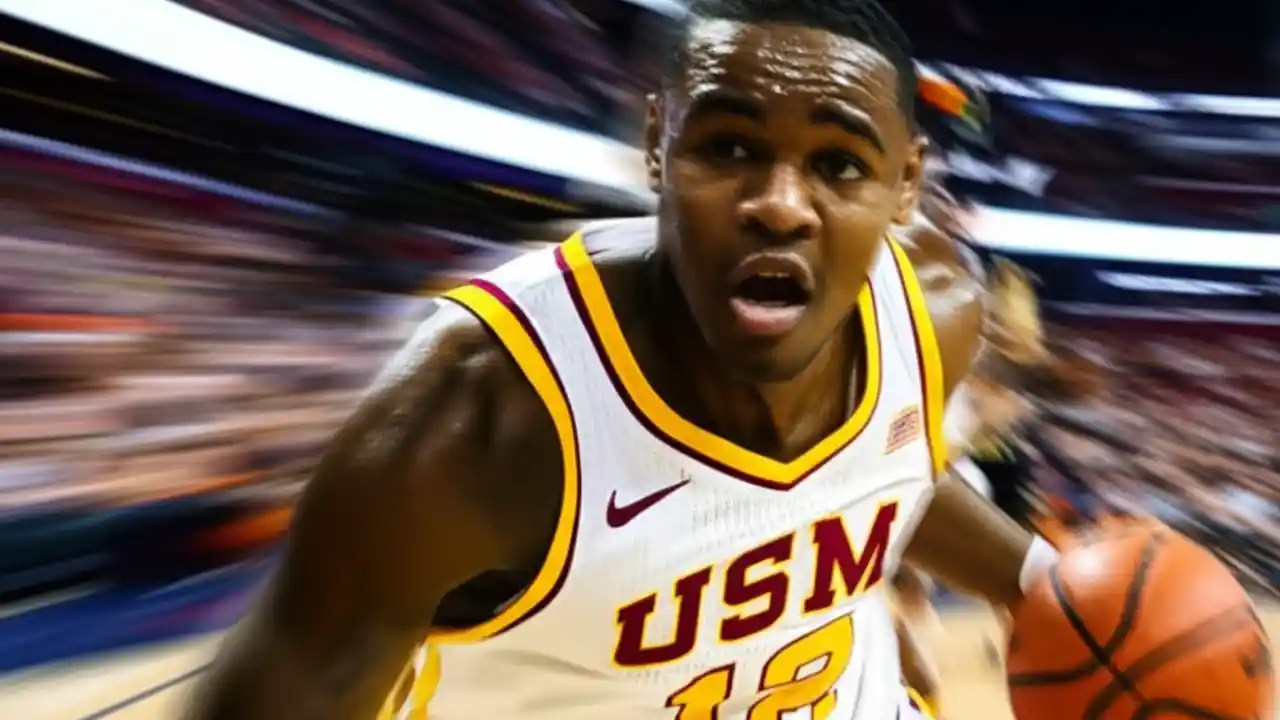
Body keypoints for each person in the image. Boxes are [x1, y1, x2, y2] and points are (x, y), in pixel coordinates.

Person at [183, 1, 1059, 718]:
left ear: (907, 185)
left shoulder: (936, 314)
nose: (781, 206)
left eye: (839, 164)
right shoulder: (478, 412)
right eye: (729, 147)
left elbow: (890, 473)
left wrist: (1042, 583)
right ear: (656, 144)